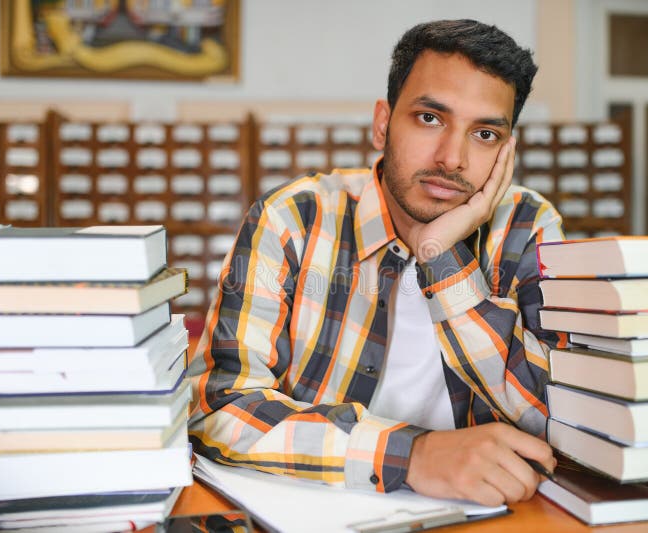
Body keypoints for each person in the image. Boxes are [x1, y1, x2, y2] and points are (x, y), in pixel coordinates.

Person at [188, 19, 567, 507]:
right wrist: (410, 456)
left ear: (507, 150)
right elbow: (220, 409)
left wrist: (442, 257)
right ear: (383, 124)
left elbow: (559, 416)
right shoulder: (294, 220)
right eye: (430, 118)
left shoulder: (528, 227)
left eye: (485, 133)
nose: (453, 158)